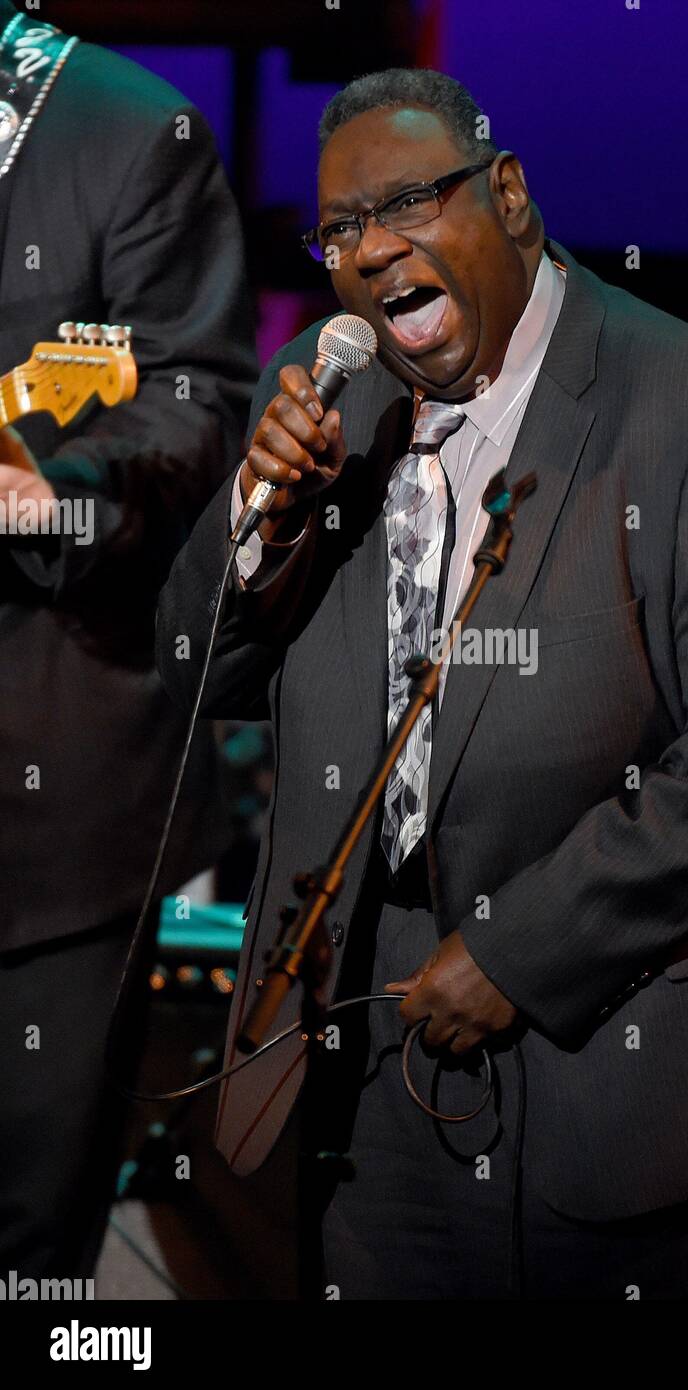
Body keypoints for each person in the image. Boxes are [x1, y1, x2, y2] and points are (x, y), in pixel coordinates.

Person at [157, 68, 688, 1300]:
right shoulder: (331, 399)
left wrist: (522, 950)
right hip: (368, 1045)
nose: (372, 250)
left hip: (631, 1064)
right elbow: (194, 666)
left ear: (510, 196)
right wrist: (269, 518)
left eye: (405, 203)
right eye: (338, 229)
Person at [0, 0, 258, 1280]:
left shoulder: (123, 127)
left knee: (23, 1238)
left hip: (49, 813)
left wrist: (46, 496)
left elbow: (191, 403)